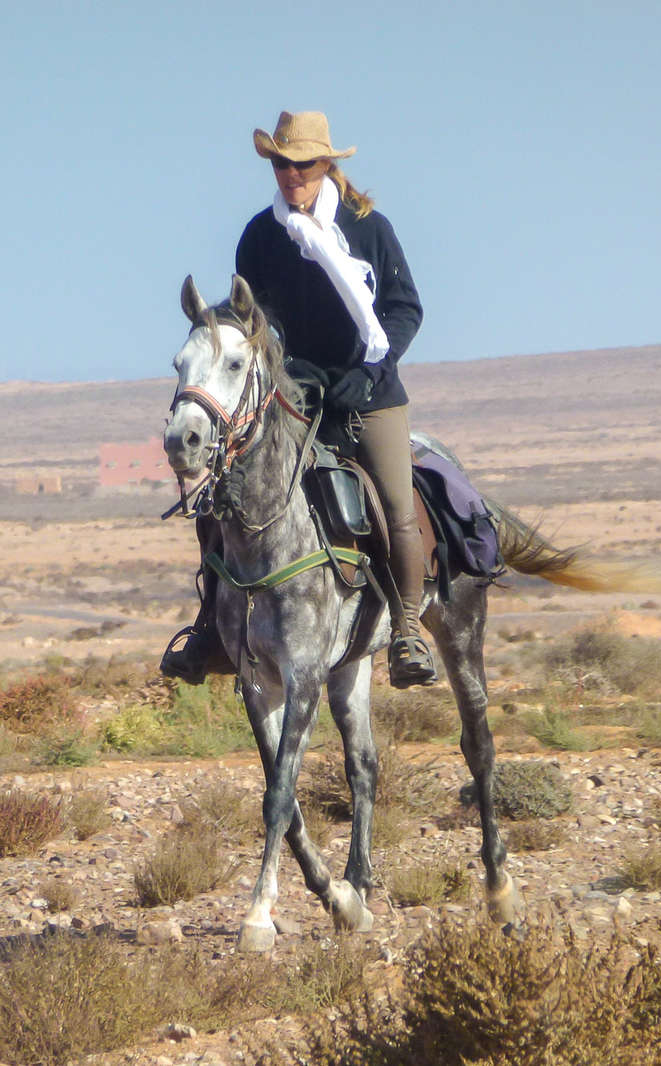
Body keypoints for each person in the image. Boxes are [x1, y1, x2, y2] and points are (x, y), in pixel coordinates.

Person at [162, 110, 436, 689]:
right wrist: (289, 367)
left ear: (326, 166)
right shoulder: (261, 236)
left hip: (370, 393)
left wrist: (373, 368)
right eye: (282, 164)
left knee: (394, 503)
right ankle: (211, 627)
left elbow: (406, 307)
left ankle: (408, 630)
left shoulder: (369, 227)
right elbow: (251, 320)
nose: (291, 174)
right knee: (225, 496)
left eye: (303, 164)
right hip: (296, 392)